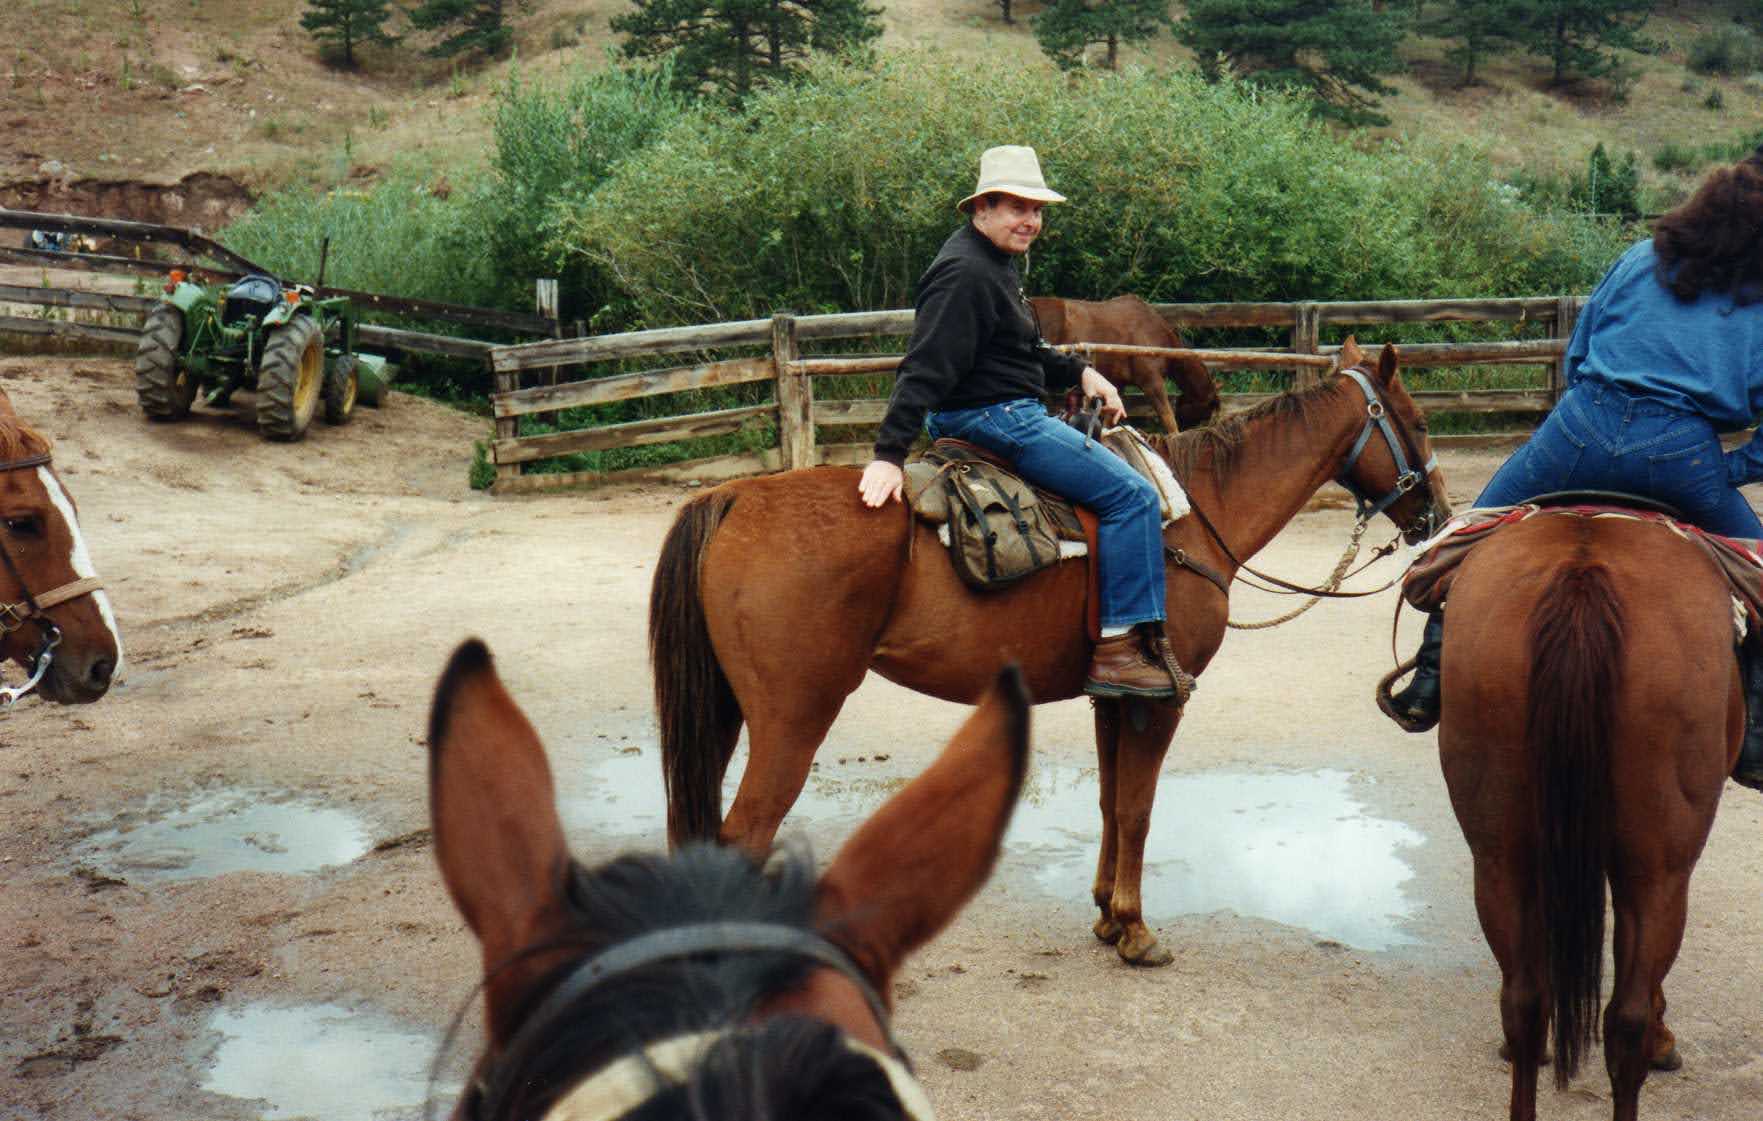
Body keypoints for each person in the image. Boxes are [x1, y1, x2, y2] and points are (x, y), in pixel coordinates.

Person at [1387, 148, 1763, 788]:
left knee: (1470, 531)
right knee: (1759, 577)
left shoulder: (1638, 260)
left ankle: (1429, 675)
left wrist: (1584, 423)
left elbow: (1579, 353)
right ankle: (1753, 732)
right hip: (1682, 452)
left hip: (1579, 427)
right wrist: (1725, 469)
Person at [857, 145, 1182, 700]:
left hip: (1003, 408)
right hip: (997, 418)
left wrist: (1081, 373)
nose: (1030, 220)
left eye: (1037, 210)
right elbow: (926, 365)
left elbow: (1021, 350)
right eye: (1016, 207)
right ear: (981, 208)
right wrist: (889, 454)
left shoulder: (993, 265)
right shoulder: (964, 273)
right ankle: (1118, 652)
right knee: (1133, 497)